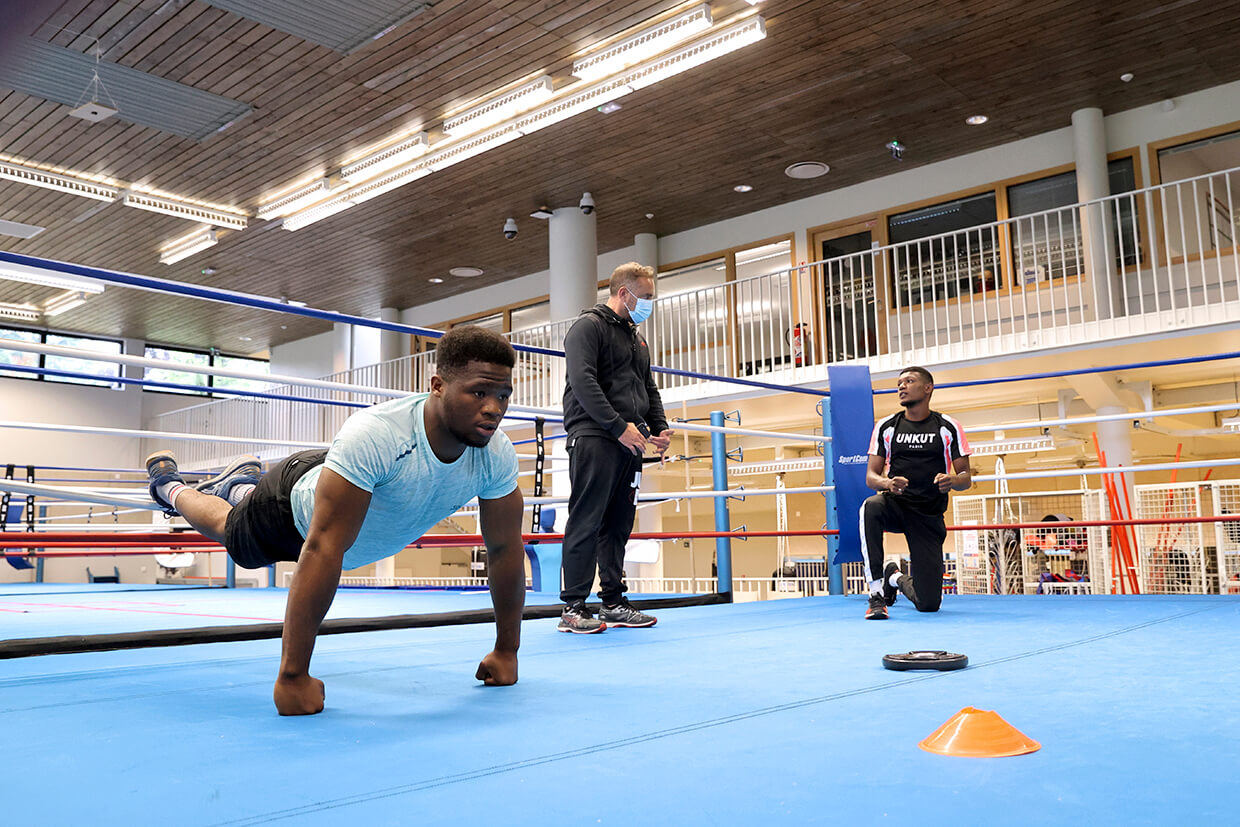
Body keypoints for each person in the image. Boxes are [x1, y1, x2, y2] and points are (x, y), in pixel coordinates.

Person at [145, 326, 526, 714]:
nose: (494, 408)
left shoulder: (494, 453)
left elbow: (504, 548)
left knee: (251, 511)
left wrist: (507, 650)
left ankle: (242, 485)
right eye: (479, 393)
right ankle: (170, 487)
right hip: (290, 508)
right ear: (438, 385)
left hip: (336, 477)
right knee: (232, 532)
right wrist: (293, 676)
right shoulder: (382, 435)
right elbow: (325, 547)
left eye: (503, 395)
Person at [557, 262, 673, 633]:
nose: (649, 303)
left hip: (630, 440)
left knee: (619, 524)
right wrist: (616, 426)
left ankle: (612, 602)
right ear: (624, 293)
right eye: (646, 296)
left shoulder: (636, 337)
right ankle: (573, 608)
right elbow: (583, 381)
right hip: (594, 434)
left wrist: (659, 426)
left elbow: (647, 387)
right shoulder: (587, 328)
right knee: (587, 519)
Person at [861, 366, 971, 619]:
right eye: (899, 382)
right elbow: (870, 477)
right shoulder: (887, 426)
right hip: (896, 505)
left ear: (927, 388)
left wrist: (952, 480)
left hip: (928, 514)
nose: (901, 386)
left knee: (928, 603)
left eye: (909, 381)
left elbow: (966, 478)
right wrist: (887, 484)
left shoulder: (948, 427)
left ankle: (894, 576)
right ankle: (876, 593)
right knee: (871, 506)